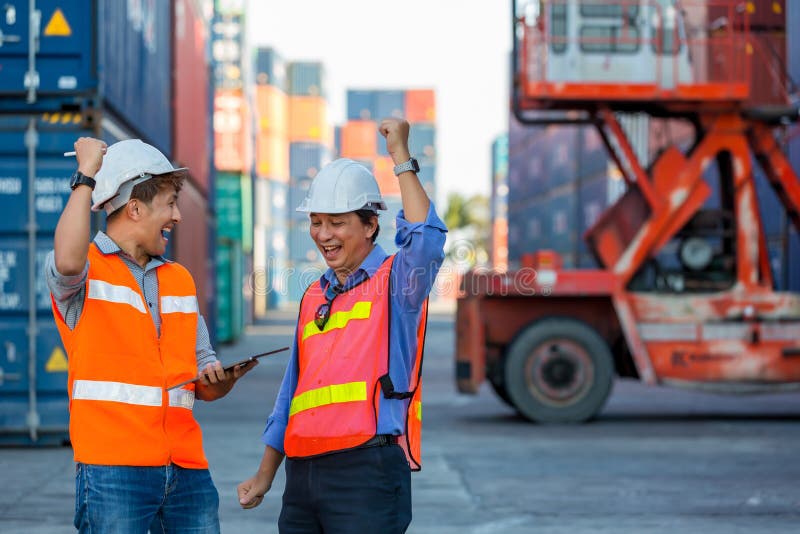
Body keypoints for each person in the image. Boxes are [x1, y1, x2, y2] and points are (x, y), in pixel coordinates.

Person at [237, 118, 447, 533]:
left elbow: (426, 240)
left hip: (365, 472)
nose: (323, 235)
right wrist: (266, 474)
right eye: (316, 222)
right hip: (302, 478)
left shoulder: (397, 284)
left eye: (337, 223)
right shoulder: (313, 296)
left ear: (370, 225)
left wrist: (400, 156)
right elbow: (292, 394)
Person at [47, 137, 254, 533]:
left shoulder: (179, 279)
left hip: (187, 469)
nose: (177, 215)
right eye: (170, 203)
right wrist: (86, 175)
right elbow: (67, 260)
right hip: (114, 470)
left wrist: (217, 381)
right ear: (135, 208)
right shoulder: (86, 272)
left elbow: (200, 368)